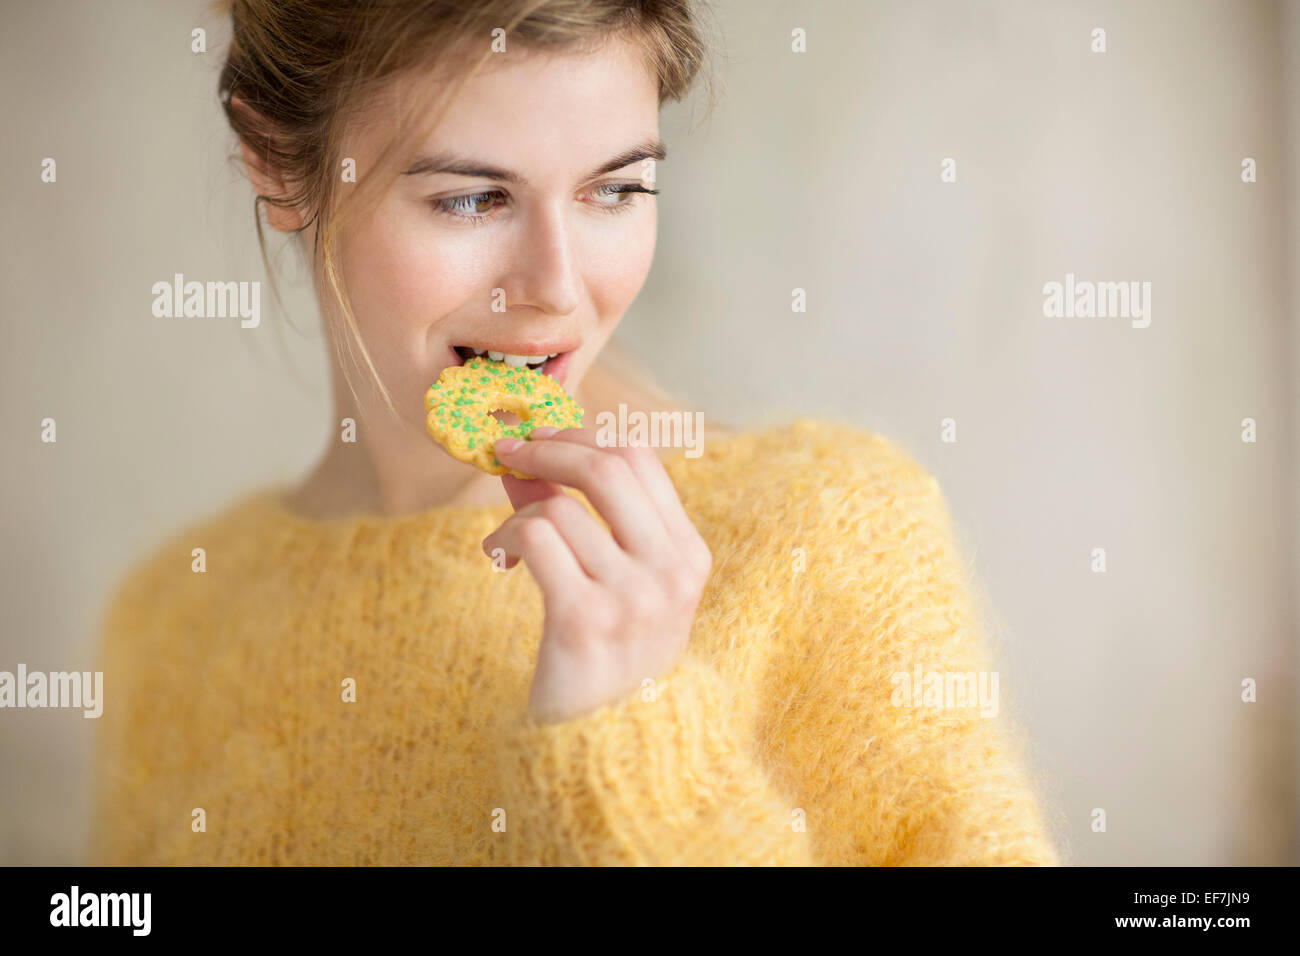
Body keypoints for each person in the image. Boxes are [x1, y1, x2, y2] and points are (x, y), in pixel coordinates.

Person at [89, 0, 1061, 866]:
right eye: (471, 196)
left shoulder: (829, 533)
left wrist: (632, 757)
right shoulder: (171, 618)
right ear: (275, 163)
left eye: (616, 188)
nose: (558, 285)